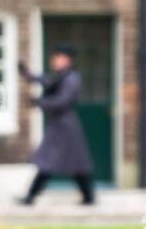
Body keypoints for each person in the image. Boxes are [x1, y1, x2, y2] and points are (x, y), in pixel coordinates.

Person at [18, 46, 95, 205]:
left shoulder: (71, 78)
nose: (54, 61)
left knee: (53, 160)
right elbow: (42, 79)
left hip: (65, 125)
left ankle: (31, 196)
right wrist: (26, 73)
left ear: (66, 60)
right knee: (69, 161)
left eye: (57, 58)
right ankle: (88, 197)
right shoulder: (60, 77)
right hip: (59, 124)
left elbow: (62, 101)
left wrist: (39, 102)